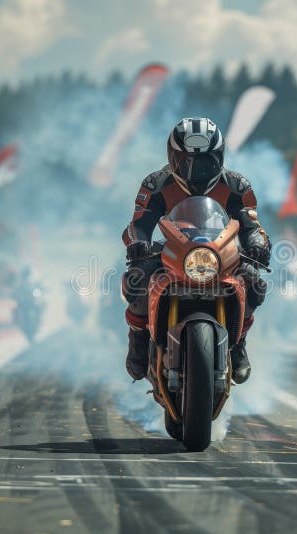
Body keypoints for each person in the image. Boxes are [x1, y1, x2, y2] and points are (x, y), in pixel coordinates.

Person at [121, 117, 271, 384]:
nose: (196, 169)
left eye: (205, 162)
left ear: (220, 156)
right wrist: (137, 244)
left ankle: (239, 345)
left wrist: (258, 246)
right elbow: (137, 225)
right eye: (187, 161)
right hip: (173, 248)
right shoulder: (155, 184)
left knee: (254, 283)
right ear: (173, 157)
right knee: (136, 278)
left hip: (221, 252)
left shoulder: (238, 186)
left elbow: (252, 226)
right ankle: (139, 339)